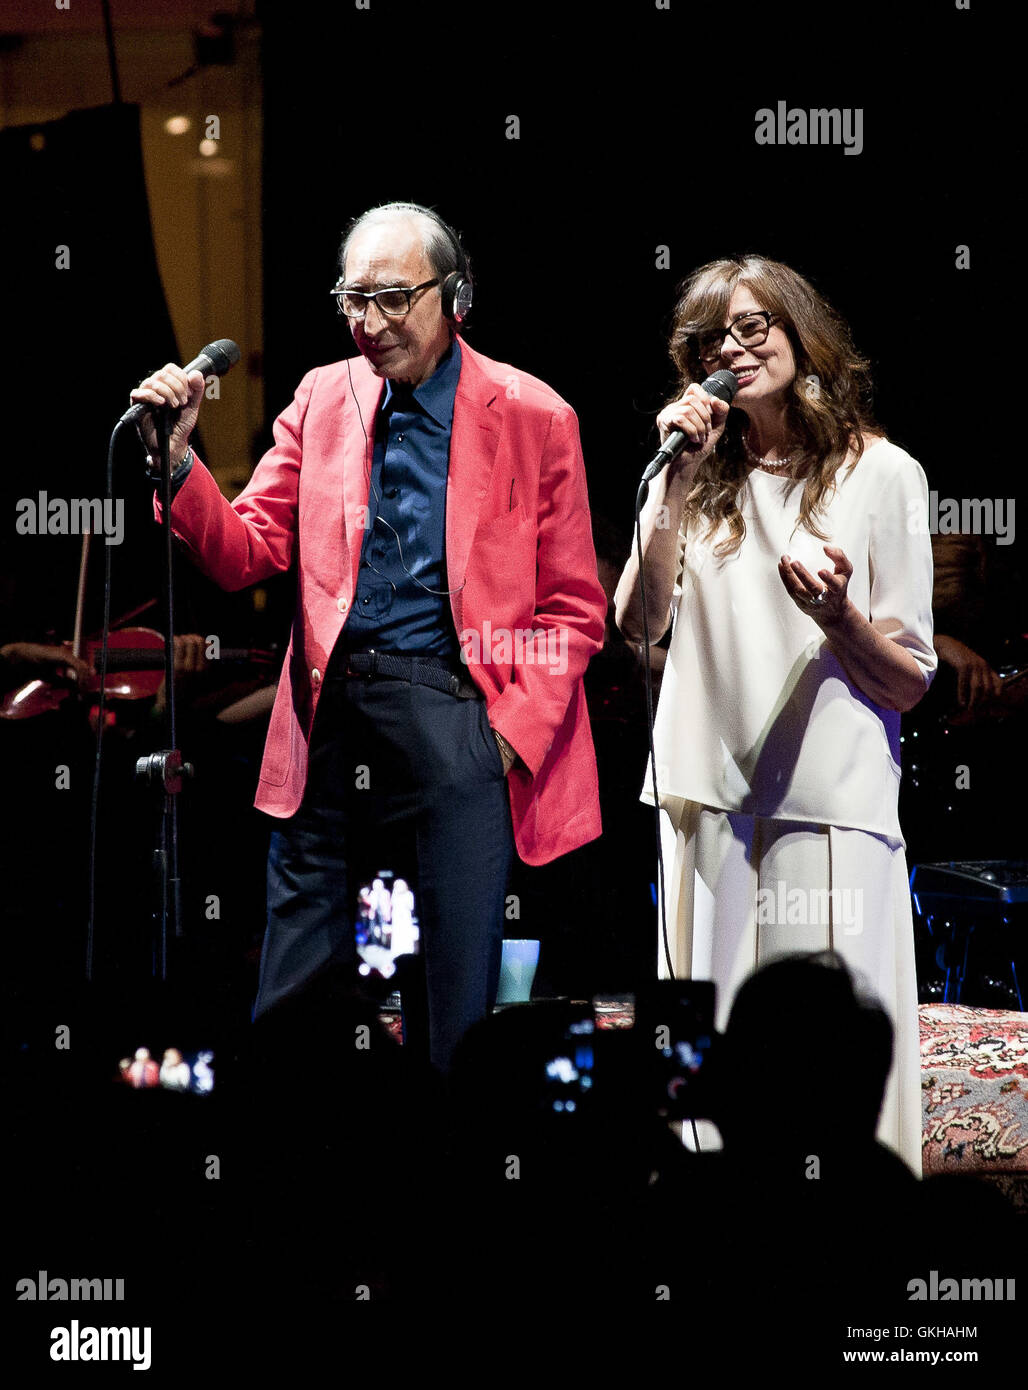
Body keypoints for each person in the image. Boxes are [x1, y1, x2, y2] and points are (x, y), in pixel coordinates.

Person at [129, 202, 606, 1071]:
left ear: (453, 296)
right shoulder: (323, 396)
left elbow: (575, 610)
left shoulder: (536, 415)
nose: (370, 323)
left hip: (458, 721)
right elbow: (246, 553)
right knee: (293, 995)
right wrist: (178, 463)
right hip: (329, 719)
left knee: (451, 1015)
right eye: (355, 299)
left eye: (393, 298)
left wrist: (504, 740)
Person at [614, 256, 936, 1171]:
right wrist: (673, 481)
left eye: (756, 326)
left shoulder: (886, 476)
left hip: (828, 806)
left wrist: (837, 618)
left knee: (823, 1072)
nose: (734, 346)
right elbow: (638, 628)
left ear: (803, 336)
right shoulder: (690, 474)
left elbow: (911, 678)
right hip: (705, 797)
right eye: (713, 335)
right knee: (709, 1059)